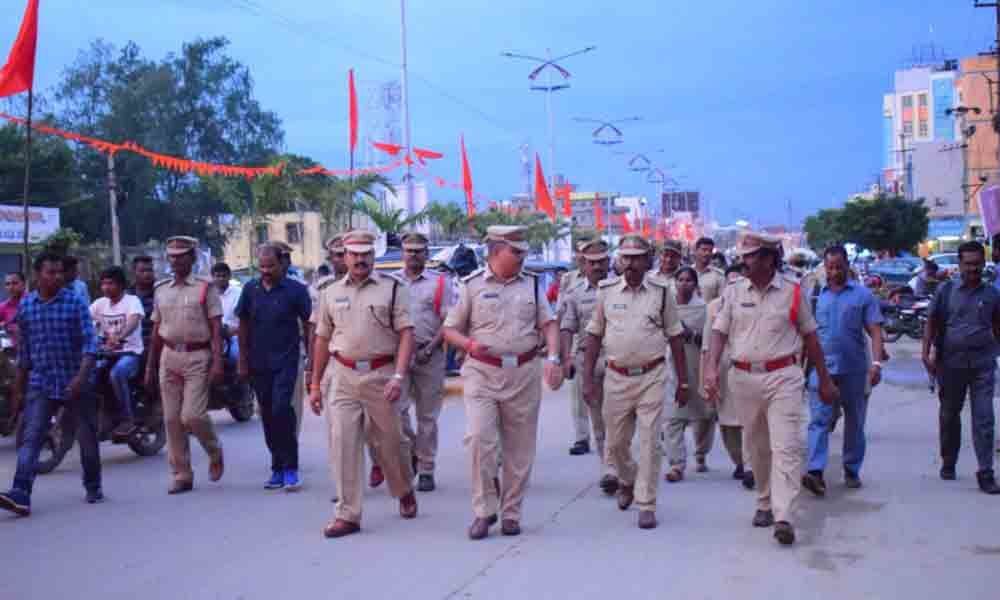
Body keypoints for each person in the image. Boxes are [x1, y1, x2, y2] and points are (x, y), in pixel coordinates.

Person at [705, 231, 838, 546]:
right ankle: (764, 501)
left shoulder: (793, 292)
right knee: (757, 447)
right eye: (744, 256)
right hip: (744, 378)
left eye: (751, 256)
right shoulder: (734, 292)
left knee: (786, 446)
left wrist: (825, 379)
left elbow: (811, 338)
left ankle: (784, 516)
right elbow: (719, 333)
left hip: (784, 377)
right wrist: (710, 369)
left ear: (768, 258)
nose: (744, 261)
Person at [443, 225, 563, 540]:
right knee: (480, 438)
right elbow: (450, 329)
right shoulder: (471, 286)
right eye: (516, 251)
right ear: (496, 251)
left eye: (524, 251)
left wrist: (553, 358)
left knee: (519, 448)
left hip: (523, 373)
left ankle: (511, 512)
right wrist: (468, 346)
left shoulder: (534, 286)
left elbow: (548, 324)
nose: (523, 257)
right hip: (482, 372)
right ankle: (484, 511)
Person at [309, 230, 419, 538]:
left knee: (391, 443)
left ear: (374, 256)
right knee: (343, 442)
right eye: (355, 254)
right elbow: (321, 338)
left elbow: (407, 333)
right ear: (344, 257)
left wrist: (399, 375)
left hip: (381, 375)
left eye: (366, 254)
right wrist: (315, 383)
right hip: (342, 375)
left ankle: (403, 488)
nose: (361, 260)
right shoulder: (329, 292)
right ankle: (348, 513)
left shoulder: (393, 289)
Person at [582, 234, 688, 530]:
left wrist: (684, 382)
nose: (629, 263)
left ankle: (646, 503)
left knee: (651, 442)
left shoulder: (662, 292)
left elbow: (676, 338)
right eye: (625, 257)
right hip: (616, 377)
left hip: (652, 377)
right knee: (615, 444)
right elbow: (593, 336)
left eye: (636, 257)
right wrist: (588, 379)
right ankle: (627, 479)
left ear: (647, 260)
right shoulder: (606, 291)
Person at [0, 252, 100, 515]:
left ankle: (93, 485)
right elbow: (25, 354)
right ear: (37, 275)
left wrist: (80, 378)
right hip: (41, 382)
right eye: (50, 272)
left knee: (86, 436)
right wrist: (18, 391)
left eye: (59, 272)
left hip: (75, 381)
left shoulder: (75, 303)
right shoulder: (27, 307)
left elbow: (91, 345)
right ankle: (20, 492)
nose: (57, 277)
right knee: (31, 439)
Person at [144, 236, 226, 495]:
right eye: (172, 256)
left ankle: (214, 450)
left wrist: (218, 361)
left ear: (192, 258)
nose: (177, 260)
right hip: (169, 356)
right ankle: (181, 473)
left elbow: (215, 326)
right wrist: (149, 365)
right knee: (170, 419)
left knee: (192, 415)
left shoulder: (205, 287)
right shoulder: (161, 289)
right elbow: (156, 329)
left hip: (197, 355)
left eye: (182, 256)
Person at [803, 245, 884, 496]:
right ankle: (815, 471)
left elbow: (875, 331)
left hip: (854, 370)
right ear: (824, 267)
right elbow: (805, 334)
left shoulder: (863, 296)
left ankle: (851, 468)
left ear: (847, 264)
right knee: (819, 420)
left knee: (854, 421)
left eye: (839, 267)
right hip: (822, 369)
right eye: (830, 267)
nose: (834, 272)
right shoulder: (815, 296)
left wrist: (877, 364)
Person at [922, 241, 1000, 494]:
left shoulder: (991, 294)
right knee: (949, 414)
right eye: (968, 264)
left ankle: (985, 471)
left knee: (984, 417)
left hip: (983, 365)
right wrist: (926, 355)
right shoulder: (946, 291)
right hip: (951, 364)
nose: (973, 269)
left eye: (977, 264)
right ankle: (948, 460)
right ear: (959, 264)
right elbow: (931, 322)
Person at [237, 244, 312, 491]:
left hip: (287, 361)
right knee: (267, 414)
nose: (266, 271)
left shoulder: (296, 290)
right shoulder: (251, 289)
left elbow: (309, 325)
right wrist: (243, 361)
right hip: (259, 363)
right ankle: (277, 466)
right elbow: (244, 325)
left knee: (282, 409)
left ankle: (291, 467)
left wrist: (310, 358)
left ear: (282, 264)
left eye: (271, 266)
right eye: (262, 267)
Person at [395, 232, 453, 492]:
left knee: (427, 416)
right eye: (409, 250)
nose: (414, 255)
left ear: (426, 254)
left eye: (419, 250)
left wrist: (429, 348)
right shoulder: (391, 282)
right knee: (397, 413)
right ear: (402, 253)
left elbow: (448, 322)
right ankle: (413, 452)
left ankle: (427, 468)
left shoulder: (440, 282)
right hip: (398, 357)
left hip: (430, 355)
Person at [559, 239, 617, 494]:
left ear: (609, 262)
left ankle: (620, 463)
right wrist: (566, 359)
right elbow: (567, 327)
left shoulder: (621, 287)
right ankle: (608, 469)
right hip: (589, 361)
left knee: (619, 418)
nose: (597, 267)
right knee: (598, 418)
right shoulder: (574, 293)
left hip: (619, 359)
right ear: (584, 263)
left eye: (601, 262)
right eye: (591, 262)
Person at [700, 264, 753, 486]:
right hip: (721, 369)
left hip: (748, 367)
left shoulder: (752, 304)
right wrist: (706, 375)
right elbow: (706, 345)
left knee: (749, 420)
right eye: (730, 282)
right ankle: (739, 461)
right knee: (727, 422)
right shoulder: (713, 308)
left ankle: (751, 466)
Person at [663, 267, 715, 482]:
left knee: (703, 416)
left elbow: (711, 340)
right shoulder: (667, 306)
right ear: (674, 283)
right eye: (680, 280)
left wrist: (691, 334)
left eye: (688, 280)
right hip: (672, 366)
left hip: (697, 365)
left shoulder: (704, 309)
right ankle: (677, 464)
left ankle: (701, 453)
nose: (684, 284)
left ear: (695, 285)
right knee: (672, 418)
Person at [90, 266, 145, 438]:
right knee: (90, 375)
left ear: (121, 285)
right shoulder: (99, 304)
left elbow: (133, 321)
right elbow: (83, 320)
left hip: (130, 353)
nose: (106, 287)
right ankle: (103, 415)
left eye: (110, 283)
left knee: (117, 374)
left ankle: (127, 419)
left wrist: (119, 337)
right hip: (106, 354)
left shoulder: (132, 301)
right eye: (103, 284)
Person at [558, 237, 596, 457]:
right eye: (581, 252)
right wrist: (564, 355)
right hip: (578, 345)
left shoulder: (609, 281)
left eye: (588, 251)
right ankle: (582, 437)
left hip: (608, 349)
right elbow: (563, 314)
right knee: (579, 396)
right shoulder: (569, 280)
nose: (583, 256)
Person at [212, 262, 241, 372]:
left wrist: (233, 331)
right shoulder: (209, 294)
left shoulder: (239, 293)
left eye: (224, 276)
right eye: (217, 276)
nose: (221, 279)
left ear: (229, 276)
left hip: (234, 335)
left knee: (235, 355)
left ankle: (239, 383)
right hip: (213, 335)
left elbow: (244, 319)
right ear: (213, 277)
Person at [127, 255, 156, 350]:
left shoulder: (161, 293)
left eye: (150, 270)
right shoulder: (127, 295)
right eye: (142, 271)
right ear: (134, 272)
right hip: (131, 346)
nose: (147, 274)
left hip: (154, 345)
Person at [693, 237, 726, 303]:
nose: (707, 253)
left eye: (710, 251)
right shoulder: (686, 272)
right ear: (696, 251)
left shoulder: (719, 276)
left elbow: (722, 300)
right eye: (704, 250)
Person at [0, 271, 27, 351]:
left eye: (15, 283)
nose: (11, 287)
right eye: (7, 284)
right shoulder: (3, 307)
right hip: (13, 352)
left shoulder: (32, 303)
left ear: (24, 284)